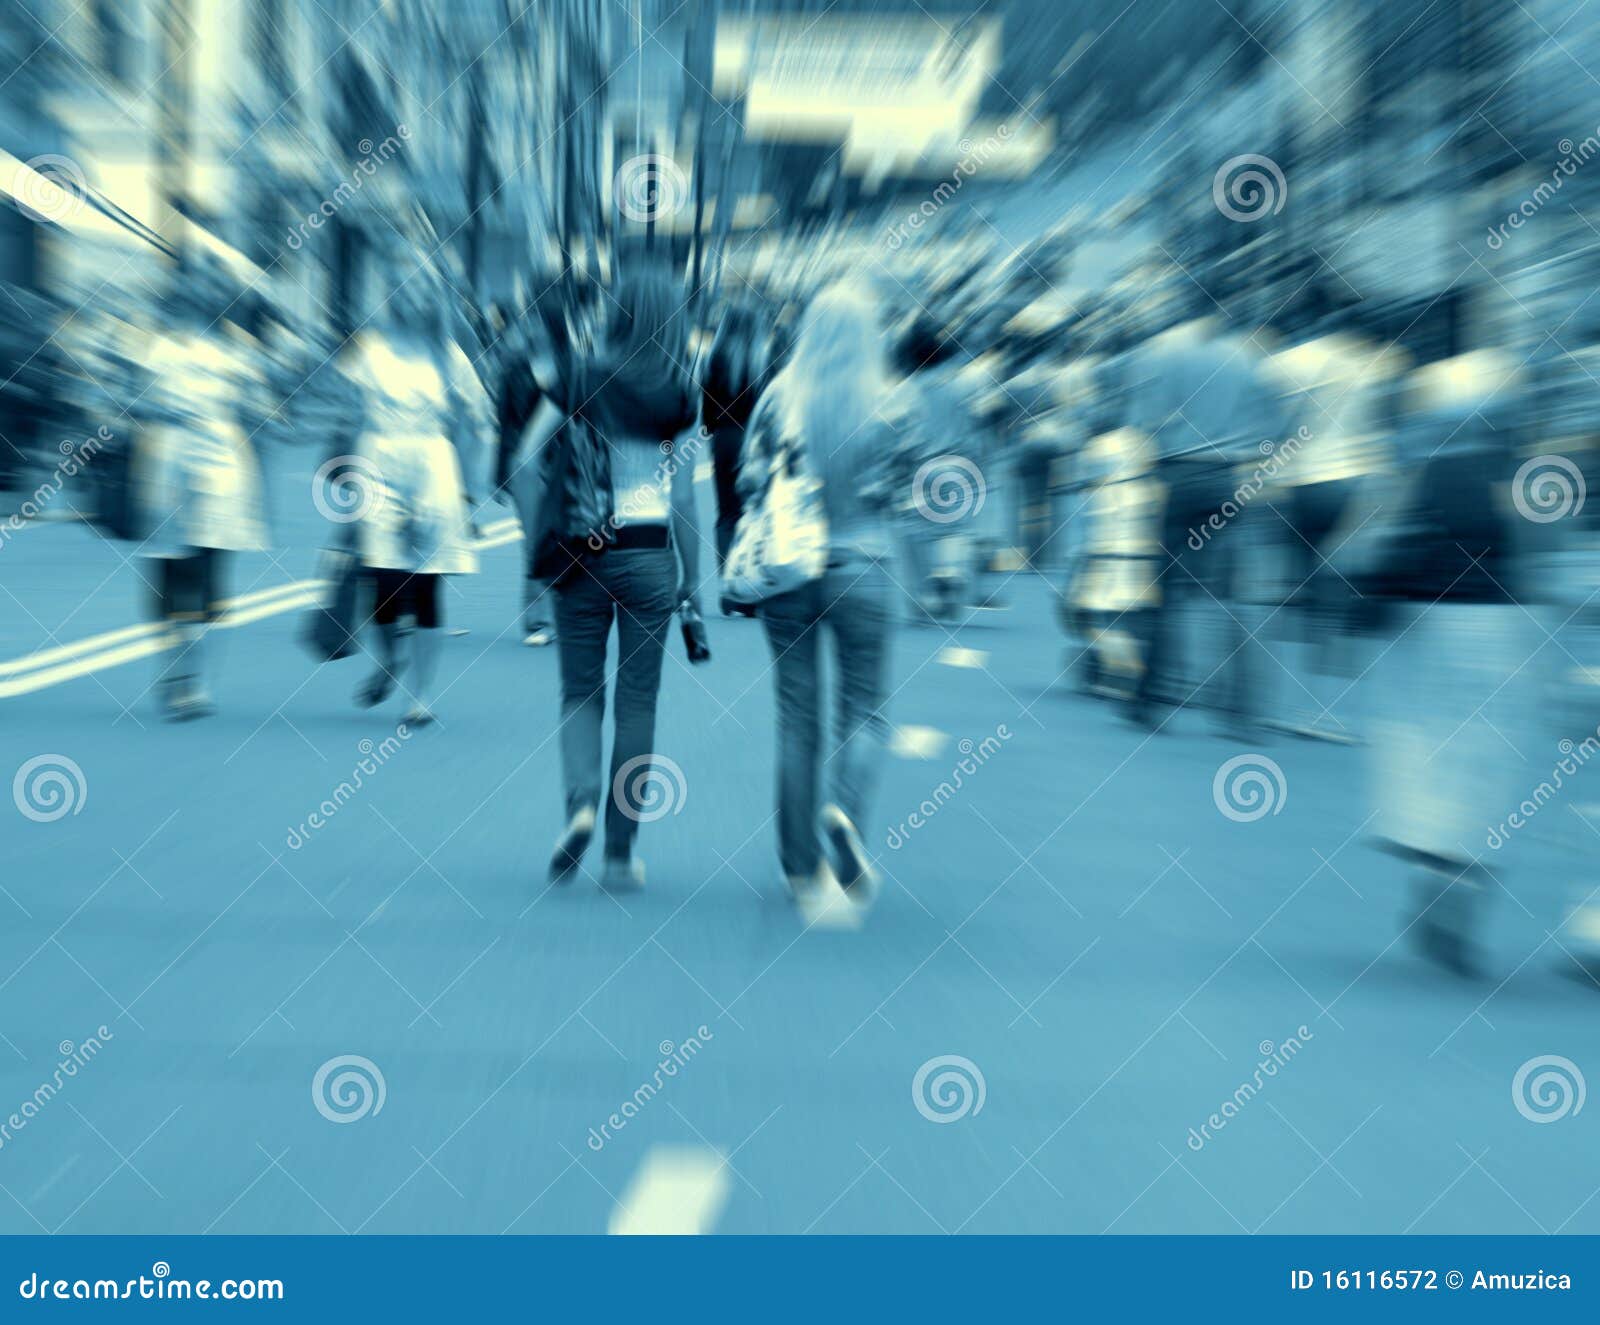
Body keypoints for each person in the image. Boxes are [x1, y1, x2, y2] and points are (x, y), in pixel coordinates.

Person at [535, 261, 705, 891]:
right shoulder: (681, 391)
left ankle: (579, 806)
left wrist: (538, 532)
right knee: (638, 702)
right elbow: (684, 498)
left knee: (580, 692)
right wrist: (692, 582)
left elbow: (525, 459)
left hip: (580, 551)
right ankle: (619, 852)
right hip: (650, 554)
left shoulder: (580, 374)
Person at [740, 283, 906, 914]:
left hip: (791, 569)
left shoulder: (779, 396)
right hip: (864, 562)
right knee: (865, 710)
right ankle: (846, 814)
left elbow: (748, 482)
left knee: (796, 717)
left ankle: (797, 866)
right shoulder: (889, 400)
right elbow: (903, 493)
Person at [339, 265, 480, 727]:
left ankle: (420, 694)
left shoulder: (448, 356)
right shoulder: (369, 349)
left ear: (435, 298)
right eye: (407, 288)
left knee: (426, 581)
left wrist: (467, 490)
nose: (416, 297)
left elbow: (474, 421)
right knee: (382, 578)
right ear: (393, 295)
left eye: (425, 289)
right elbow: (348, 414)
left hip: (432, 465)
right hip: (377, 461)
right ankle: (388, 659)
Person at [132, 275, 270, 720]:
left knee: (210, 573)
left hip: (223, 464)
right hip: (168, 459)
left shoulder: (240, 351)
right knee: (171, 573)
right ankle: (175, 666)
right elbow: (133, 401)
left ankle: (194, 677)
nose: (201, 298)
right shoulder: (154, 346)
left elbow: (263, 409)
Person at [702, 299, 771, 577]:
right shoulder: (762, 362)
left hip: (723, 440)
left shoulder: (714, 359)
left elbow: (706, 412)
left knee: (726, 514)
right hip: (753, 440)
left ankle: (728, 579)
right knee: (755, 511)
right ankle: (752, 577)